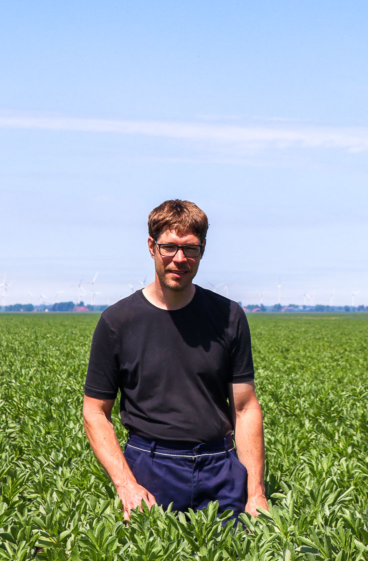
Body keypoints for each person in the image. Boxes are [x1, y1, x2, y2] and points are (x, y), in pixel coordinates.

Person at [82, 199, 268, 521]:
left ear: (203, 250)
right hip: (150, 470)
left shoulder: (229, 316)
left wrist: (256, 492)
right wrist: (126, 485)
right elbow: (95, 412)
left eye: (191, 249)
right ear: (152, 247)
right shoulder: (117, 321)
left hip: (220, 469)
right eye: (169, 247)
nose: (180, 259)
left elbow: (245, 407)